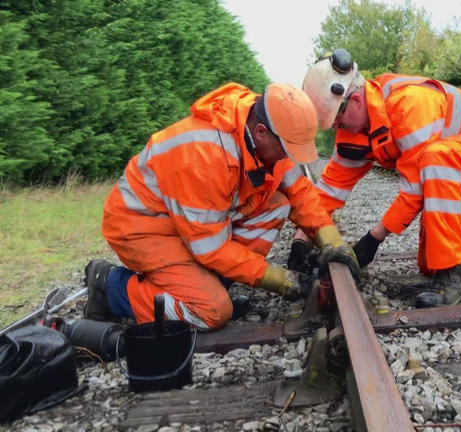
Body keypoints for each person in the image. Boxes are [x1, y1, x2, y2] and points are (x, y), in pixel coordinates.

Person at [83, 82, 359, 330]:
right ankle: (111, 286)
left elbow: (298, 192)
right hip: (144, 226)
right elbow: (210, 248)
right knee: (212, 311)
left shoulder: (261, 123)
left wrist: (330, 239)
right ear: (262, 133)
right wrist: (276, 278)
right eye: (287, 150)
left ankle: (210, 285)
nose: (288, 158)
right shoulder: (206, 156)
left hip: (187, 221)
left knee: (276, 205)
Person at [293, 49, 461, 308]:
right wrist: (302, 239)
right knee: (431, 260)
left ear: (356, 100)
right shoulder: (355, 132)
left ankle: (454, 278)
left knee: (436, 159)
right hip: (453, 161)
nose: (336, 126)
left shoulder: (410, 103)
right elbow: (328, 190)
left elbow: (415, 188)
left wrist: (373, 238)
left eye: (337, 117)